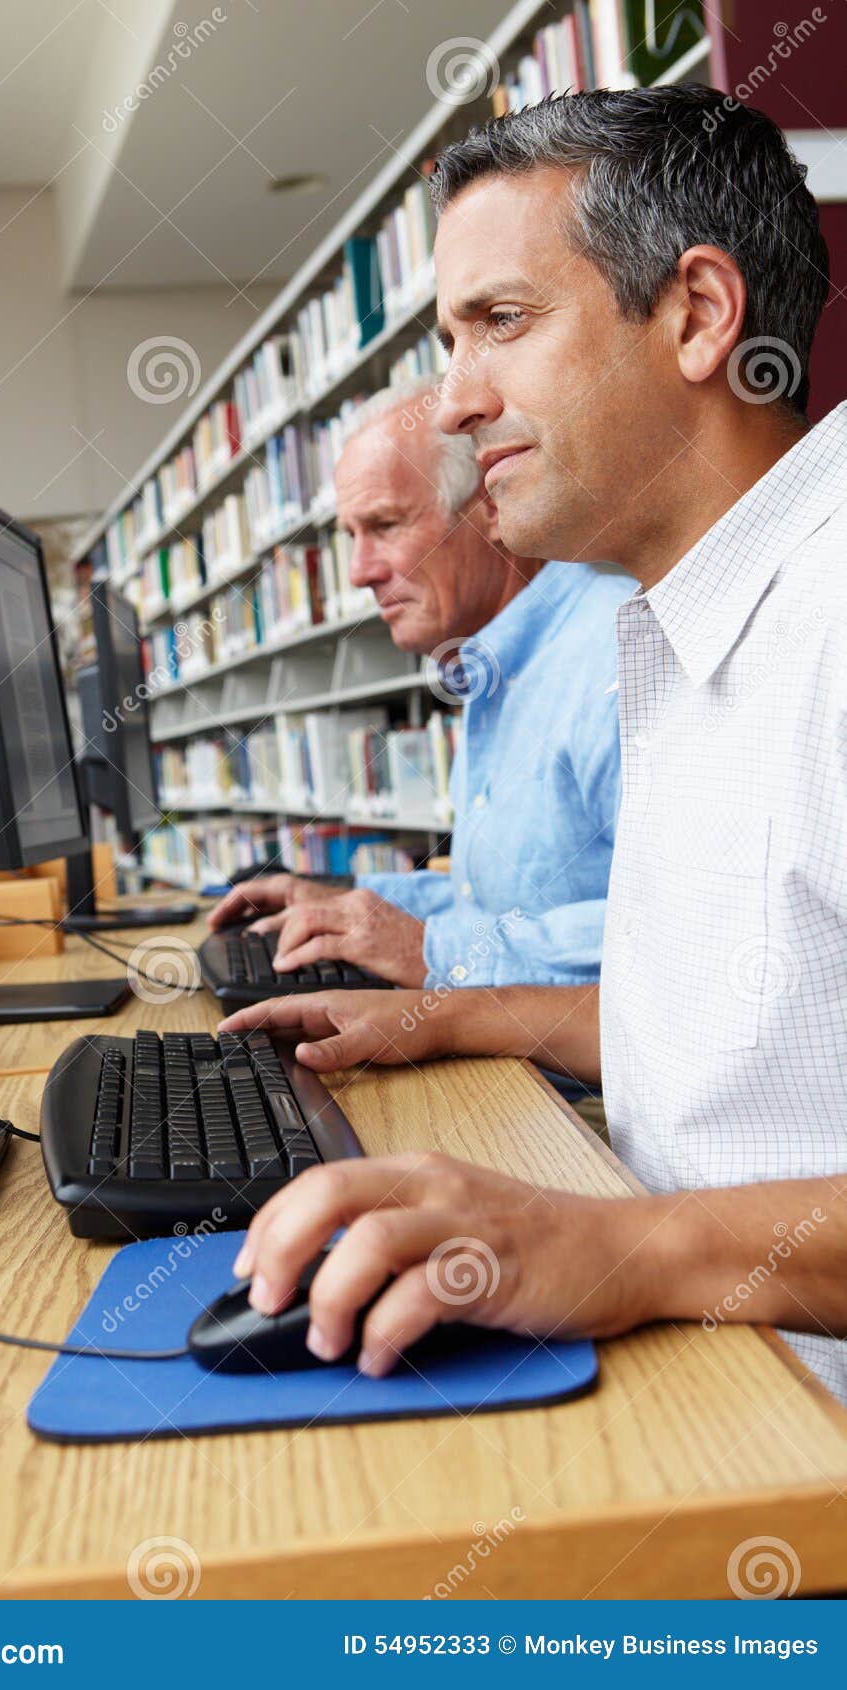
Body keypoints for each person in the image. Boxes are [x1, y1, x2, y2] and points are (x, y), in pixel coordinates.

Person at [221, 85, 847, 1403]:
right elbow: (733, 1036)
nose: (450, 405)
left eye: (496, 323)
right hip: (718, 1390)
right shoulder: (682, 616)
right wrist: (437, 1016)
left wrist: (626, 1244)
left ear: (695, 314)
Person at [209, 382, 631, 992]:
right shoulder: (490, 669)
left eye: (384, 525)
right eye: (349, 537)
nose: (358, 572)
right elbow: (497, 906)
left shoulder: (615, 659)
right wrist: (348, 901)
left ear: (491, 504)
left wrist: (432, 948)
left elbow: (679, 929)